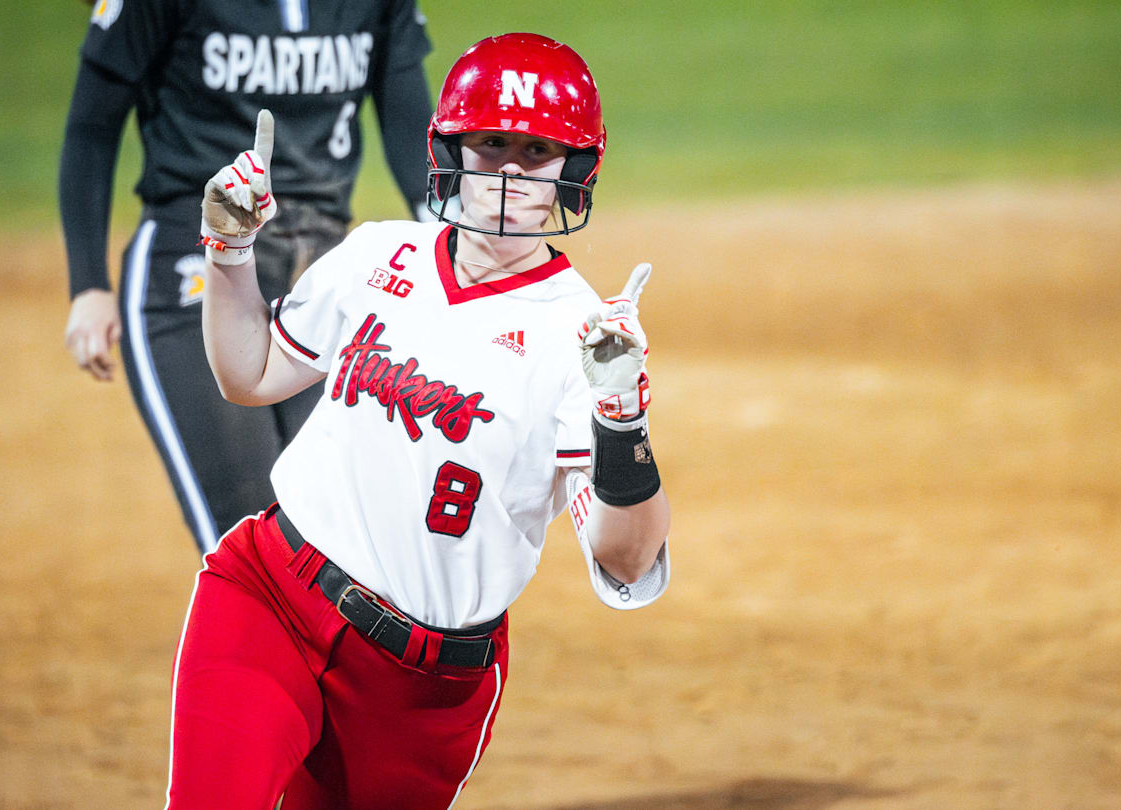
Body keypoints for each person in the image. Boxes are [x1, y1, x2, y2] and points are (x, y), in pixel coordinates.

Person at [165, 33, 673, 809]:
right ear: (448, 150)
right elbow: (250, 375)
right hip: (272, 597)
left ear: (572, 172)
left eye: (536, 151)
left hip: (425, 691)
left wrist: (621, 417)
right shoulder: (376, 255)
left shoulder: (583, 336)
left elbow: (626, 561)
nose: (508, 170)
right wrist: (229, 251)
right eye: (490, 143)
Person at [59, 0, 436, 554]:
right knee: (249, 536)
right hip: (194, 261)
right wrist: (89, 285)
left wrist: (444, 233)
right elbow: (93, 125)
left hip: (322, 269)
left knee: (340, 533)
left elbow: (407, 115)